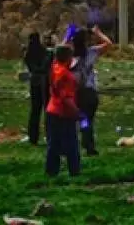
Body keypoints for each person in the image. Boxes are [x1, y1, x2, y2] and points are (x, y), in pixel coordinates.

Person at [70, 25, 112, 157]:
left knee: (81, 118)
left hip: (76, 93)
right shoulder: (91, 52)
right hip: (90, 92)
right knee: (88, 119)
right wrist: (98, 33)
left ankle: (81, 140)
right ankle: (88, 143)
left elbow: (58, 50)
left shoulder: (69, 57)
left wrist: (67, 36)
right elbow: (109, 44)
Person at [45, 43, 81, 178]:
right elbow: (66, 97)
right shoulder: (65, 75)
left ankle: (51, 171)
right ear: (68, 57)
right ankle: (74, 171)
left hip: (51, 109)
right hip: (64, 112)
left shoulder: (54, 67)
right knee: (71, 143)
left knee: (53, 143)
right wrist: (77, 112)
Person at [23, 32, 50, 146]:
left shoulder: (28, 55)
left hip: (35, 83)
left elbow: (32, 68)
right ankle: (49, 135)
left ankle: (33, 137)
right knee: (47, 111)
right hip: (45, 82)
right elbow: (45, 66)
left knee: (35, 111)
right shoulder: (45, 52)